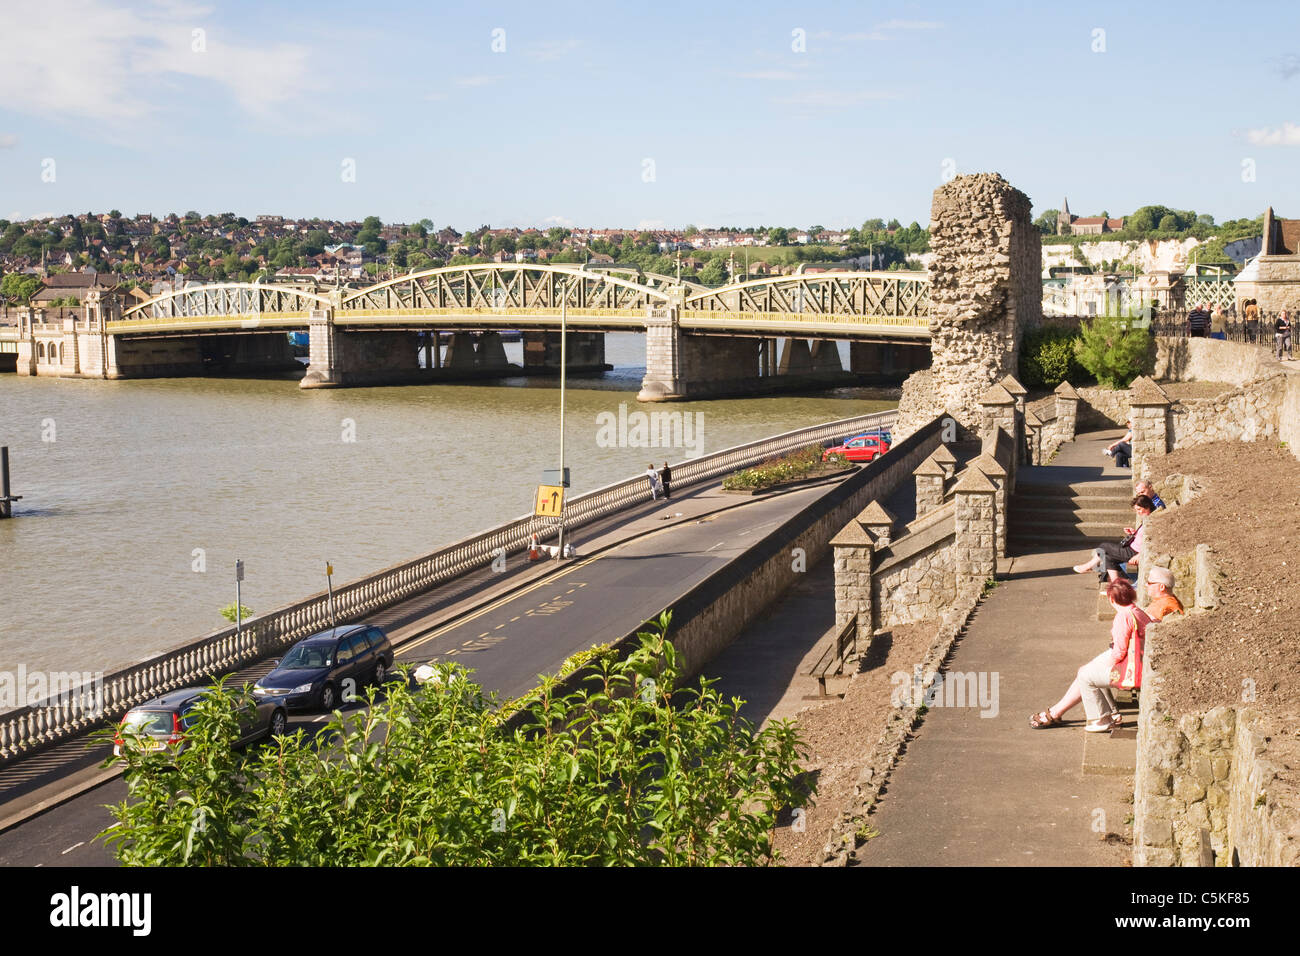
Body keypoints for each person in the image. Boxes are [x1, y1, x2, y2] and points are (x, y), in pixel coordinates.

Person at [1030, 578, 1150, 731]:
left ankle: (1101, 720)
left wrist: (1105, 665)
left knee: (1087, 675)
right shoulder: (1136, 611)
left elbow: (1119, 651)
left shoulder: (1123, 617)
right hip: (1137, 658)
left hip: (1130, 666)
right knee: (1085, 670)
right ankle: (1059, 711)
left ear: (1111, 598)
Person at [1071, 495, 1155, 585]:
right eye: (1136, 510)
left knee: (1104, 546)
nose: (1138, 512)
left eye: (1139, 509)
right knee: (1108, 558)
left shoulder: (1152, 521)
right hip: (1131, 549)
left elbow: (1153, 542)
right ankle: (1117, 583)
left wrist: (1139, 555)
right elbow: (1143, 537)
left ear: (1147, 506)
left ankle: (1089, 566)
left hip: (1133, 552)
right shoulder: (1147, 518)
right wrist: (1134, 533)